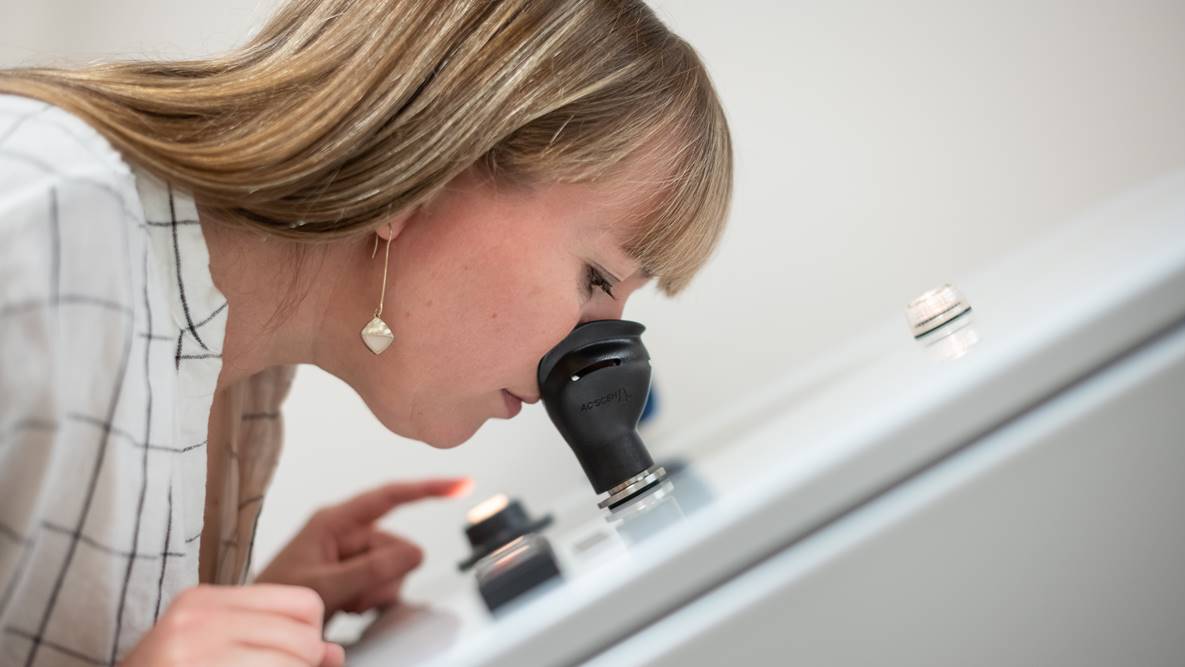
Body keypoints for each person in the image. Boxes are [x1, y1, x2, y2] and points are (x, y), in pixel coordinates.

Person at [0, 0, 732, 664]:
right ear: (429, 168)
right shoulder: (35, 223)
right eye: (597, 279)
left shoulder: (238, 376)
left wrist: (259, 613)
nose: (592, 354)